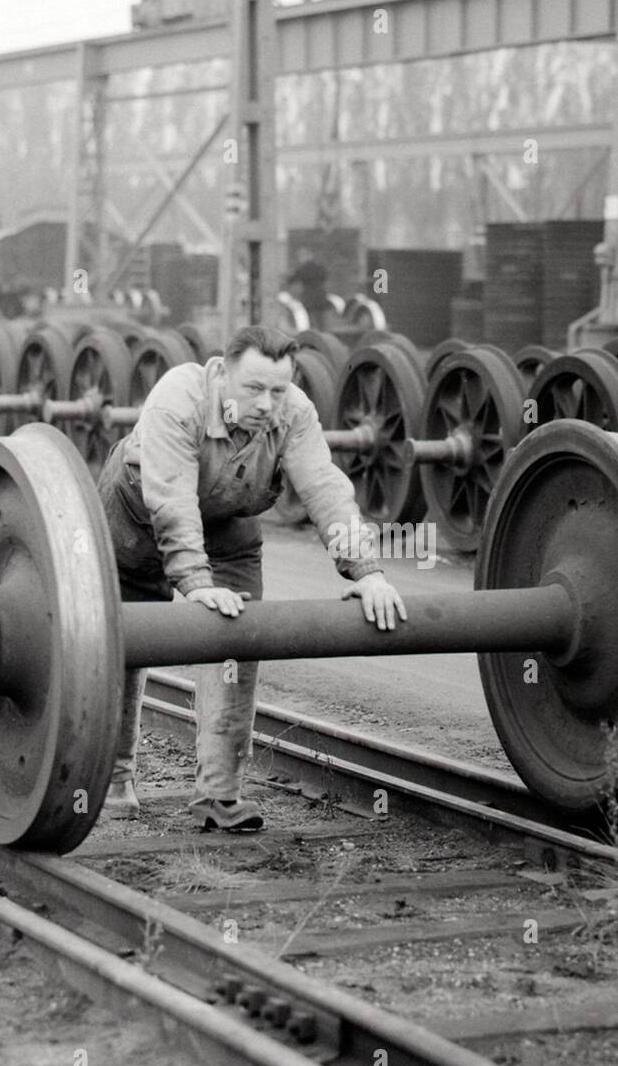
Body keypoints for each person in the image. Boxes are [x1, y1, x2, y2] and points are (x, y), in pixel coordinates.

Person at [96, 323, 406, 832]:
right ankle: (112, 779)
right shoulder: (178, 395)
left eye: (278, 390)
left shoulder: (294, 413)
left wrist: (367, 572)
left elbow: (325, 488)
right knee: (124, 642)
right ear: (221, 373)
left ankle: (218, 799)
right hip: (135, 519)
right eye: (254, 388)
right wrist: (196, 583)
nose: (267, 403)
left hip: (229, 525)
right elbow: (171, 499)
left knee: (236, 643)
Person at [287, 247, 331, 331]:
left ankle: (314, 337)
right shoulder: (319, 267)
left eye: (301, 257)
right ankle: (324, 336)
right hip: (320, 296)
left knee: (311, 320)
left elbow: (291, 279)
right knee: (321, 321)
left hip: (309, 297)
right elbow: (325, 276)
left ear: (305, 256)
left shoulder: (301, 269)